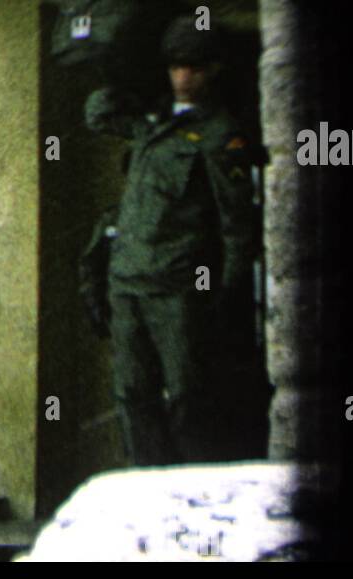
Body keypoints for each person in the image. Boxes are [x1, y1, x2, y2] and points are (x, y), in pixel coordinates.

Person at [79, 17, 258, 466]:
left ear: (213, 70)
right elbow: (97, 112)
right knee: (132, 395)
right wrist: (117, 70)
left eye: (194, 67)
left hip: (177, 287)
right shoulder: (150, 122)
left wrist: (227, 295)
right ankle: (146, 486)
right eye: (176, 66)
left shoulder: (221, 135)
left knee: (187, 396)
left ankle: (193, 489)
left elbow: (237, 225)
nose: (183, 77)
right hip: (127, 281)